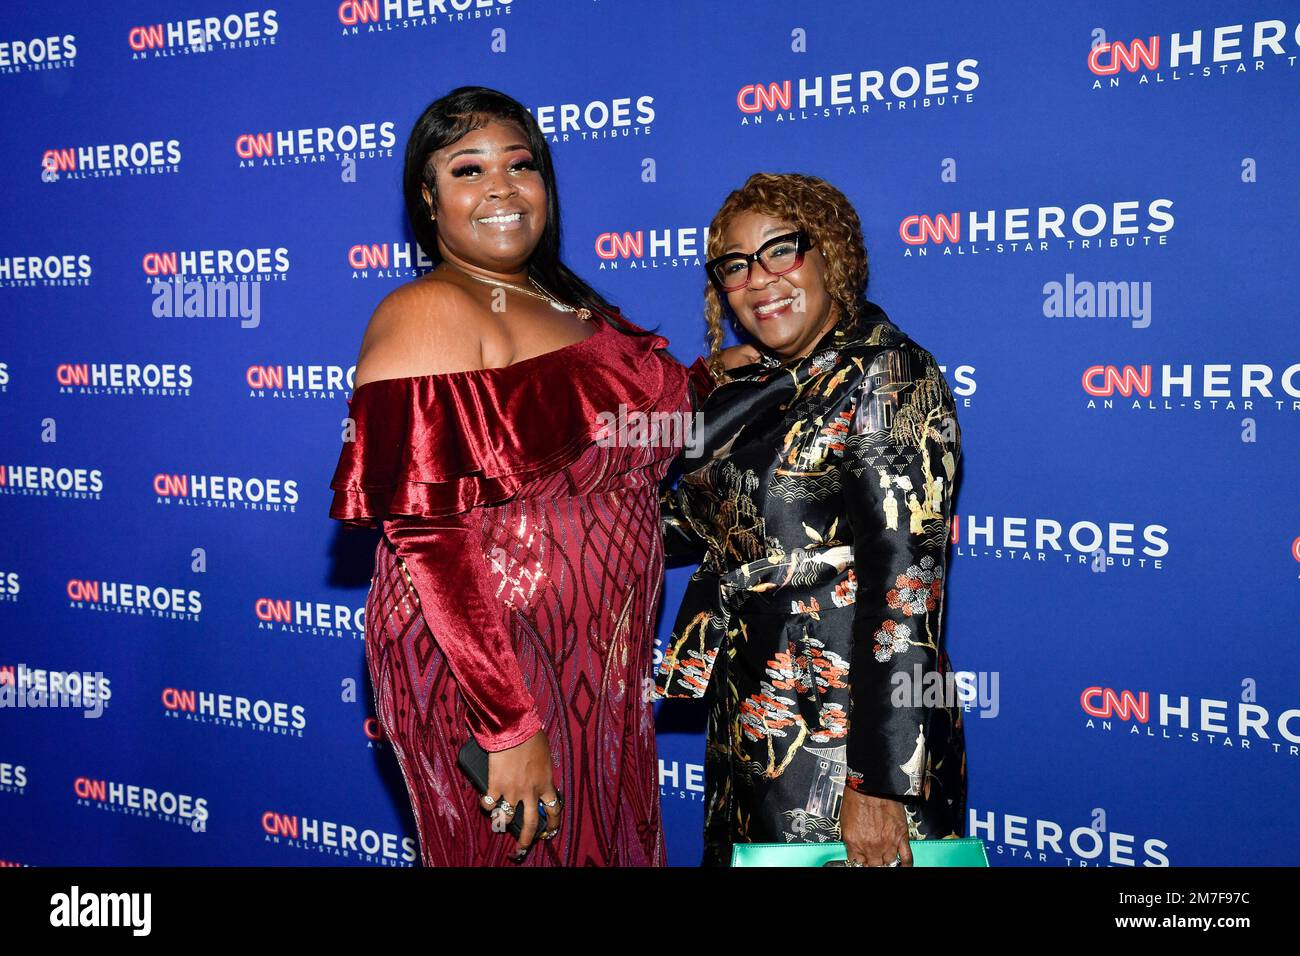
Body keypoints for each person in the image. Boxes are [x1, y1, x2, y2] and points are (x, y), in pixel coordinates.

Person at [328, 86, 744, 866]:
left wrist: (735, 367)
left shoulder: (564, 299)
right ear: (428, 199)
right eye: (467, 169)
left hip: (600, 661)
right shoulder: (427, 311)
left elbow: (634, 430)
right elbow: (429, 535)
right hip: (493, 670)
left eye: (520, 164)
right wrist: (507, 724)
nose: (500, 187)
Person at [655, 172, 968, 867]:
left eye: (780, 251)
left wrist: (880, 782)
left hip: (848, 738)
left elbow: (905, 589)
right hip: (755, 720)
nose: (758, 278)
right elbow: (679, 526)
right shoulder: (756, 389)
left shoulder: (888, 377)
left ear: (831, 254)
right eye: (734, 264)